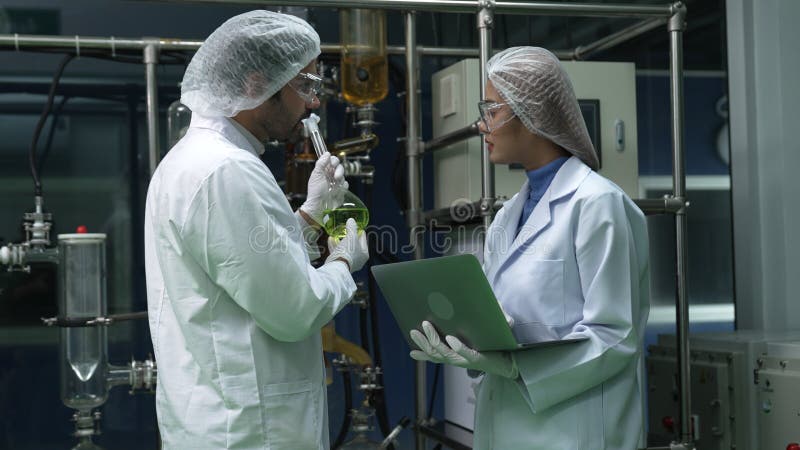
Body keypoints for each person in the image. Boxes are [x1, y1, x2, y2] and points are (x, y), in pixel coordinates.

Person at [144, 11, 368, 450]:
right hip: (250, 432)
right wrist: (343, 259)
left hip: (222, 422)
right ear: (254, 84)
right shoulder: (227, 170)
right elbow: (296, 308)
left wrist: (312, 213)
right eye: (304, 86)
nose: (314, 103)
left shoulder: (198, 159)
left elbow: (246, 269)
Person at [410, 46, 650, 450]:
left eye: (491, 110)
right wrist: (468, 341)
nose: (481, 126)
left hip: (577, 431)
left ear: (532, 115)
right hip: (509, 426)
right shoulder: (508, 216)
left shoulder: (597, 203)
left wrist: (512, 364)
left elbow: (614, 336)